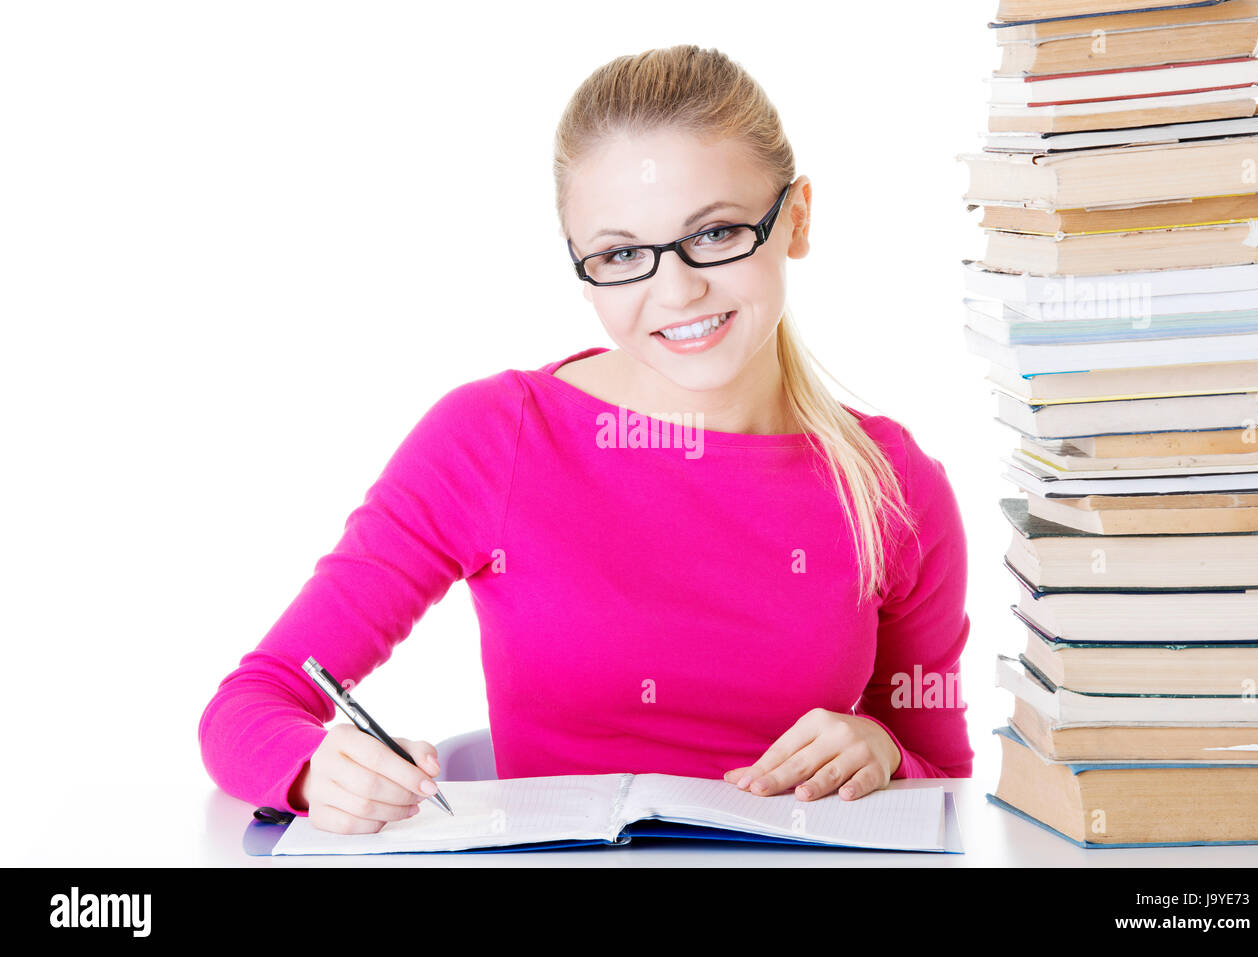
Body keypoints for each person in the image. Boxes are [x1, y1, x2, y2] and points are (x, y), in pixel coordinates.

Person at [199, 44, 974, 836]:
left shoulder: (895, 487)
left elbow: (945, 781)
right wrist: (313, 769)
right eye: (623, 254)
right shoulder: (494, 438)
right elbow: (250, 705)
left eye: (715, 234)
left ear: (797, 218)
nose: (677, 291)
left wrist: (883, 746)